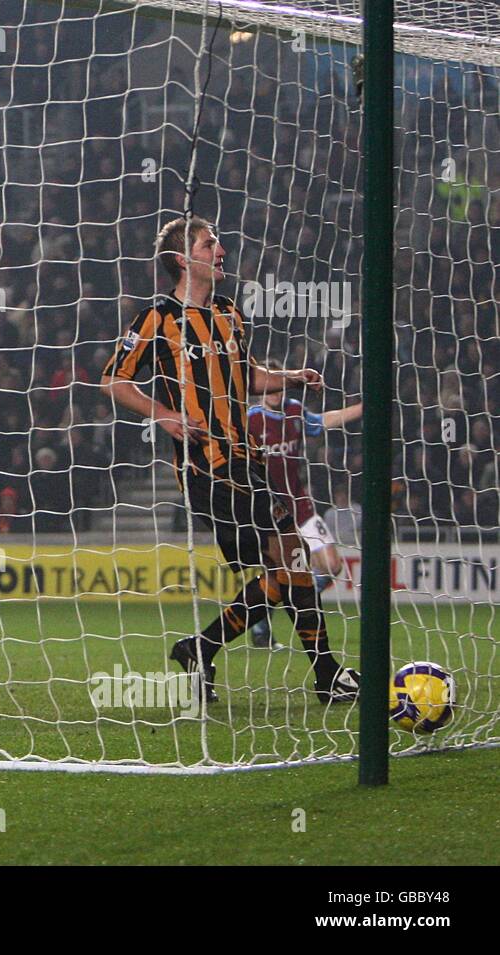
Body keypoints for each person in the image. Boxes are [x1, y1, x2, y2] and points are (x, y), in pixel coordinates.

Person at [100, 215, 359, 705]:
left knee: (285, 571)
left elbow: (247, 377)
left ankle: (200, 648)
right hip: (207, 466)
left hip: (247, 460)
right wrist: (165, 415)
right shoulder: (157, 319)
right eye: (209, 242)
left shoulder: (229, 312)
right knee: (290, 559)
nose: (220, 249)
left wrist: (292, 377)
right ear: (184, 259)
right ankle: (325, 674)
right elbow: (113, 379)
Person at [245, 376, 362, 648]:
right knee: (275, 573)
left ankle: (295, 596)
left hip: (299, 502)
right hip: (268, 508)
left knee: (332, 565)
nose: (275, 392)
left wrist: (362, 408)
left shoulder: (295, 410)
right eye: (269, 387)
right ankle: (262, 631)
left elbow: (323, 421)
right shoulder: (250, 418)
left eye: (278, 386)